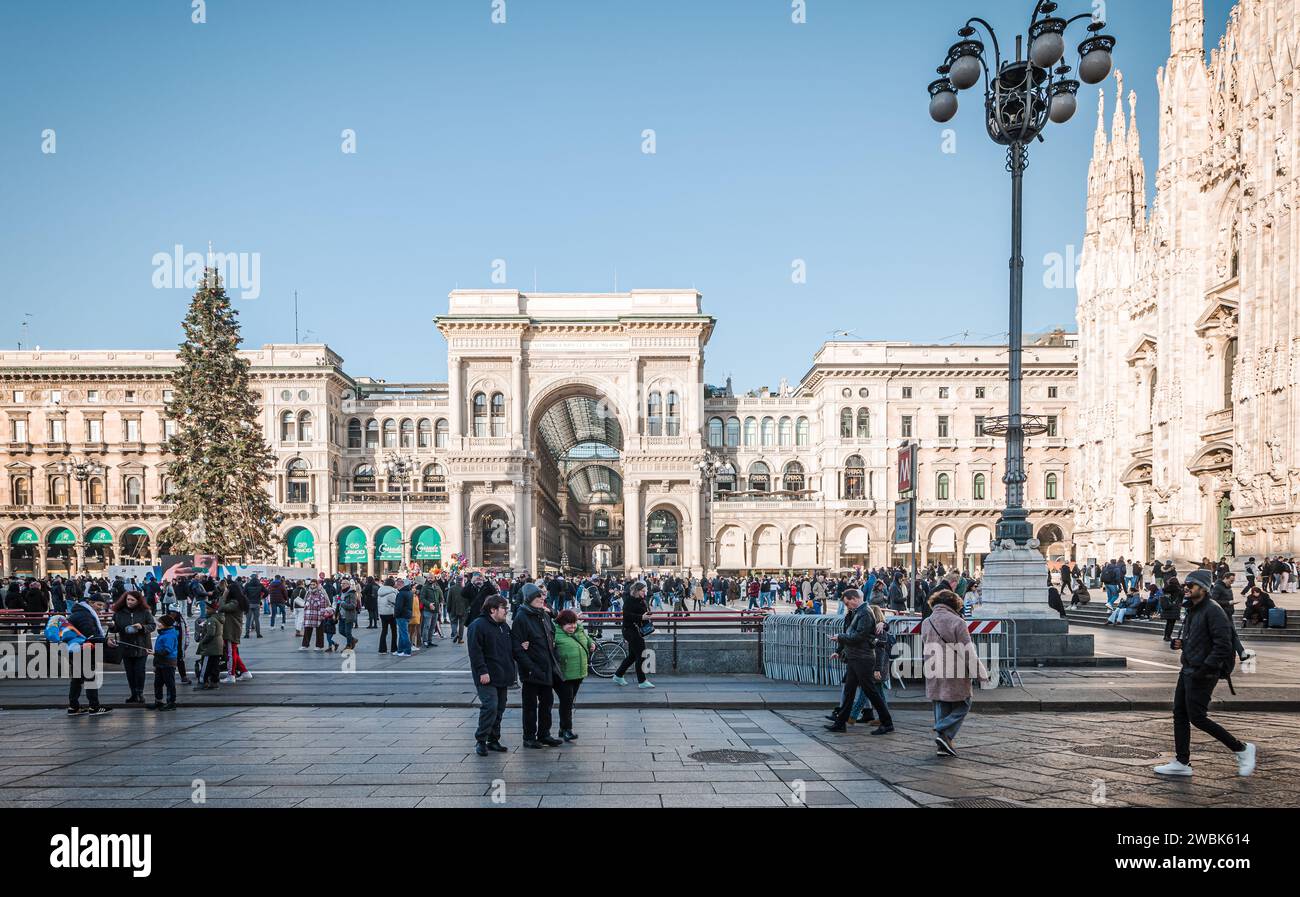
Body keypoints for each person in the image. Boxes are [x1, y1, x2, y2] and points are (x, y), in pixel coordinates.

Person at [1153, 569, 1256, 778]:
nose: (1186, 588)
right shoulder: (1193, 609)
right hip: (1188, 668)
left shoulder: (1213, 610)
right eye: (1186, 585)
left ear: (1203, 587)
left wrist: (1205, 669)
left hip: (1202, 672)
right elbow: (1199, 639)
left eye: (1191, 585)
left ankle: (1242, 749)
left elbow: (1223, 646)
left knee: (1198, 717)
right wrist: (1181, 643)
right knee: (1180, 713)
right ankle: (1182, 762)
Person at [922, 589, 988, 757]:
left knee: (941, 703)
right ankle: (943, 730)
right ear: (955, 604)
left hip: (933, 667)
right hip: (955, 668)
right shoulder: (957, 622)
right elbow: (968, 650)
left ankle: (943, 744)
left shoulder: (926, 622)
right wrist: (980, 673)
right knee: (964, 703)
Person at [825, 589, 893, 735]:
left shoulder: (864, 613)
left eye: (848, 603)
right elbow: (857, 635)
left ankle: (887, 722)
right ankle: (840, 723)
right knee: (851, 691)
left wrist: (840, 637)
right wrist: (841, 646)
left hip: (862, 658)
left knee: (870, 691)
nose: (847, 606)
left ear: (854, 599)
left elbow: (859, 636)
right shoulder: (860, 612)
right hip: (856, 657)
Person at [511, 583, 564, 748]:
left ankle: (544, 734)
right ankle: (529, 737)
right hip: (532, 670)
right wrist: (531, 668)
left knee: (547, 702)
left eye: (542, 595)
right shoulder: (521, 617)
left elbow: (551, 638)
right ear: (528, 598)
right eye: (537, 596)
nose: (542, 598)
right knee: (530, 706)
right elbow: (518, 649)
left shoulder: (544, 615)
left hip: (547, 667)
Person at [467, 595, 514, 756]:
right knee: (490, 706)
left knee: (499, 708)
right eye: (504, 608)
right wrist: (482, 671)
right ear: (493, 609)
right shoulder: (478, 626)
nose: (506, 611)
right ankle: (481, 740)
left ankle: (493, 739)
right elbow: (475, 652)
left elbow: (509, 649)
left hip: (502, 674)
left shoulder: (504, 626)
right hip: (486, 675)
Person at [67, 595, 112, 715]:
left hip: (75, 648)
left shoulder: (81, 612)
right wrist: (105, 641)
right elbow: (90, 634)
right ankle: (94, 707)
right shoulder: (85, 615)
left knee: (77, 678)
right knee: (89, 678)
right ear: (90, 603)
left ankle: (73, 707)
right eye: (99, 605)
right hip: (84, 650)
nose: (101, 608)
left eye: (102, 606)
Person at [553, 609, 593, 742]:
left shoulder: (579, 630)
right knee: (567, 701)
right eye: (569, 624)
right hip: (563, 675)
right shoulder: (554, 634)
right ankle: (567, 730)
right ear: (561, 624)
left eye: (574, 623)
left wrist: (591, 643)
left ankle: (562, 729)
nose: (572, 627)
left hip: (578, 673)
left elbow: (586, 639)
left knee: (569, 701)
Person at [111, 591, 156, 704]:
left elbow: (152, 626)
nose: (129, 602)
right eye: (128, 599)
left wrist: (142, 627)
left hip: (142, 646)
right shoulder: (119, 613)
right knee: (130, 672)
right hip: (126, 646)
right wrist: (112, 627)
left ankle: (140, 693)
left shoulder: (145, 612)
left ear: (138, 601)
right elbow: (116, 628)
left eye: (132, 600)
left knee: (140, 671)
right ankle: (133, 694)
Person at [613, 580, 654, 688]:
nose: (644, 593)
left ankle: (618, 675)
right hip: (630, 631)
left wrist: (646, 616)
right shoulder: (629, 601)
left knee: (632, 656)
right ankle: (642, 681)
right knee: (641, 655)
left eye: (645, 591)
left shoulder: (641, 600)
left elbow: (642, 613)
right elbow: (626, 616)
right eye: (642, 591)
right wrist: (641, 617)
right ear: (636, 591)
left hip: (635, 631)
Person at [149, 614, 180, 711]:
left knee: (169, 683)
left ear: (166, 624)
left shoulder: (169, 635)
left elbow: (167, 650)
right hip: (160, 662)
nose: (158, 624)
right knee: (158, 683)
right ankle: (158, 701)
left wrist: (155, 653)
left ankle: (171, 702)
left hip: (168, 663)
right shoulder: (163, 633)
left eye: (160, 623)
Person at [195, 596, 225, 689]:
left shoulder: (211, 620)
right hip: (218, 646)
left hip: (210, 647)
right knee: (215, 665)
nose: (206, 610)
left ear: (213, 610)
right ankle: (214, 682)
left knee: (206, 665)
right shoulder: (219, 618)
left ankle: (203, 682)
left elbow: (210, 634)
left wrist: (203, 642)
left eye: (208, 608)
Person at [300, 582, 331, 651]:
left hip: (318, 614)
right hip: (309, 613)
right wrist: (304, 605)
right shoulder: (308, 592)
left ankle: (319, 646)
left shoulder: (320, 593)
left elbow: (323, 603)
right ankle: (305, 645)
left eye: (314, 584)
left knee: (319, 630)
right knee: (307, 629)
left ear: (317, 585)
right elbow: (305, 601)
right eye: (311, 584)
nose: (312, 586)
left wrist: (322, 614)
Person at [376, 577, 398, 654]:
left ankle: (382, 649)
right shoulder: (391, 592)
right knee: (394, 631)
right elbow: (396, 602)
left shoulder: (380, 592)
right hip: (390, 613)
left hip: (382, 613)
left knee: (384, 631)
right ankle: (394, 648)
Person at [393, 577, 414, 657]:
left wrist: (396, 614)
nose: (397, 586)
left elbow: (399, 607)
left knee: (404, 634)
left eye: (398, 585)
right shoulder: (410, 592)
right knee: (402, 633)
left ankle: (407, 651)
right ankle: (400, 650)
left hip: (402, 615)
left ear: (401, 585)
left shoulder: (401, 594)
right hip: (407, 614)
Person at [448, 576, 468, 644]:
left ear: (456, 580)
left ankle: (456, 634)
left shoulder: (452, 588)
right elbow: (467, 600)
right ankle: (460, 639)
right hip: (463, 609)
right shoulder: (464, 589)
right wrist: (467, 608)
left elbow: (449, 600)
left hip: (453, 608)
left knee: (453, 622)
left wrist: (448, 608)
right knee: (461, 624)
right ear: (462, 580)